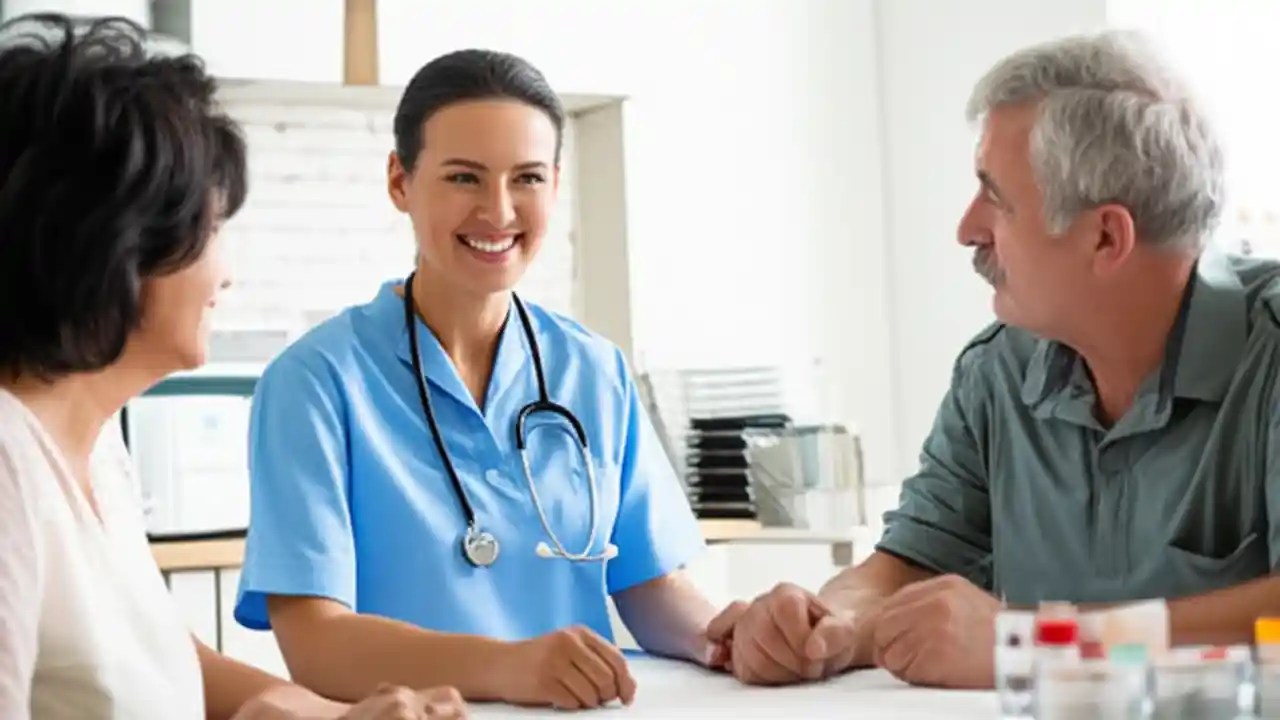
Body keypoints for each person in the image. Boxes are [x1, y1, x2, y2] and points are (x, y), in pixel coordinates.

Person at [707, 29, 1280, 690]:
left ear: (1105, 236)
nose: (966, 228)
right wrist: (824, 623)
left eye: (996, 198)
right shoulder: (998, 372)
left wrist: (1040, 645)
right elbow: (911, 565)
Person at [0, 13, 467, 720]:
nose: (227, 275)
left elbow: (155, 659)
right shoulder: (8, 469)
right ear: (116, 245)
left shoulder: (91, 451)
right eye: (212, 230)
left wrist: (328, 715)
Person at [231, 47, 724, 711]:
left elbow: (647, 586)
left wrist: (729, 636)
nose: (498, 211)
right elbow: (316, 644)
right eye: (464, 178)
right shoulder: (315, 382)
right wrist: (509, 666)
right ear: (400, 181)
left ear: (555, 182)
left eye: (526, 178)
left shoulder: (594, 370)